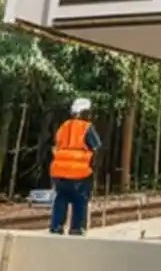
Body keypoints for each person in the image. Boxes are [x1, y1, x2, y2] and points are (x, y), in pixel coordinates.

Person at [50, 97, 101, 235]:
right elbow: (96, 147)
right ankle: (77, 229)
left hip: (59, 172)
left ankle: (56, 227)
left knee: (61, 198)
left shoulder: (63, 126)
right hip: (79, 173)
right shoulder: (87, 127)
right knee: (80, 200)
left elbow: (57, 145)